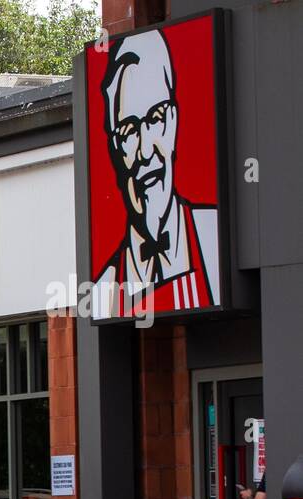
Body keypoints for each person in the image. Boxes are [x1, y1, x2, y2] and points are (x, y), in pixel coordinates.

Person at [93, 28, 220, 319]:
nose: (146, 150)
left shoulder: (215, 239)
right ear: (115, 147)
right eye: (129, 130)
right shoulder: (103, 291)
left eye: (156, 118)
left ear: (173, 122)